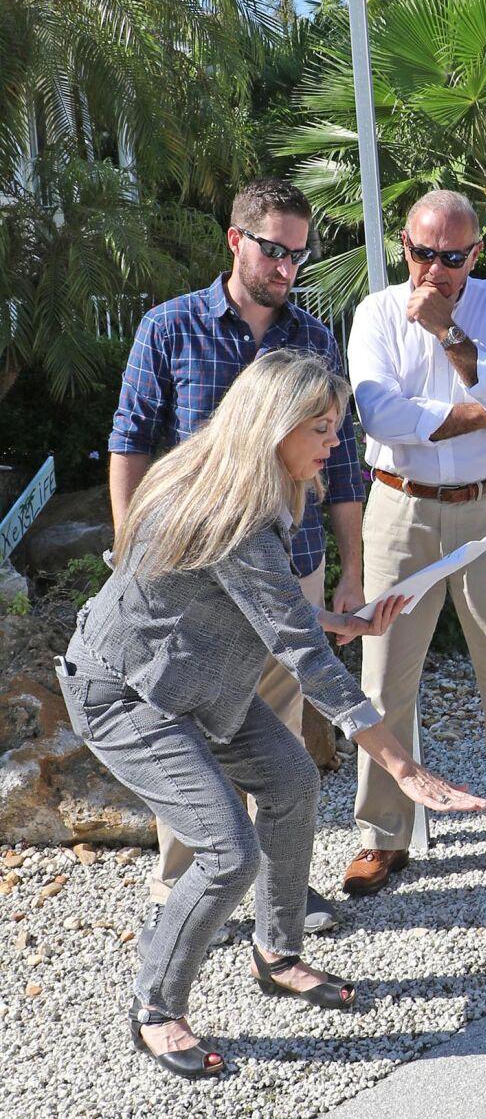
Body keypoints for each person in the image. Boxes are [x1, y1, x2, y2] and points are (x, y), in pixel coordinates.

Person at [59, 352, 485, 1080]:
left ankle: (277, 952)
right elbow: (302, 657)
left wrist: (331, 620)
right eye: (320, 428)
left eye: (334, 427)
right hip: (126, 694)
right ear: (274, 424)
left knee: (291, 781)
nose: (332, 442)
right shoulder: (236, 516)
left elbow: (268, 614)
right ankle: (156, 1008)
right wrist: (402, 766)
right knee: (227, 853)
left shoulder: (249, 488)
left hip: (198, 681)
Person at [108, 177, 366, 941]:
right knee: (185, 720)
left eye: (298, 253)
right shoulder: (170, 327)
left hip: (293, 560)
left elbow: (342, 464)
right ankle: (186, 891)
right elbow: (131, 439)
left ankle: (277, 892)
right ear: (235, 240)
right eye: (274, 249)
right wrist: (130, 550)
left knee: (280, 731)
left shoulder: (314, 341)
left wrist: (352, 565)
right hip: (190, 572)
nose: (287, 266)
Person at [344, 189, 486, 895]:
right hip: (399, 508)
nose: (435, 268)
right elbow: (380, 414)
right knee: (384, 676)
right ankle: (382, 835)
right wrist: (483, 413)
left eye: (453, 256)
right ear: (403, 243)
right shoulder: (375, 312)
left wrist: (451, 338)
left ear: (476, 252)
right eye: (422, 252)